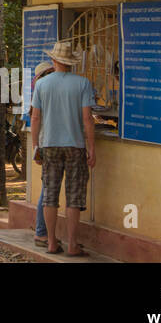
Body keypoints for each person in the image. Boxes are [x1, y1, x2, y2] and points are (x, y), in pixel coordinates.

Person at [30, 41, 96, 257]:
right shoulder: (83, 83)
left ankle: (50, 242)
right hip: (75, 146)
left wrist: (36, 146)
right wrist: (91, 148)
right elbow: (87, 118)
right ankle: (73, 245)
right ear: (71, 63)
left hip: (49, 144)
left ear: (54, 60)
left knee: (50, 194)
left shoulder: (42, 84)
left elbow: (35, 117)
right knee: (74, 196)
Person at [29, 60, 54, 247]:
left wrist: (36, 146)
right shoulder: (45, 91)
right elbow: (36, 118)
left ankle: (42, 232)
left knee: (47, 189)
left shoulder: (41, 91)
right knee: (47, 191)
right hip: (48, 144)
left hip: (44, 144)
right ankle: (41, 232)